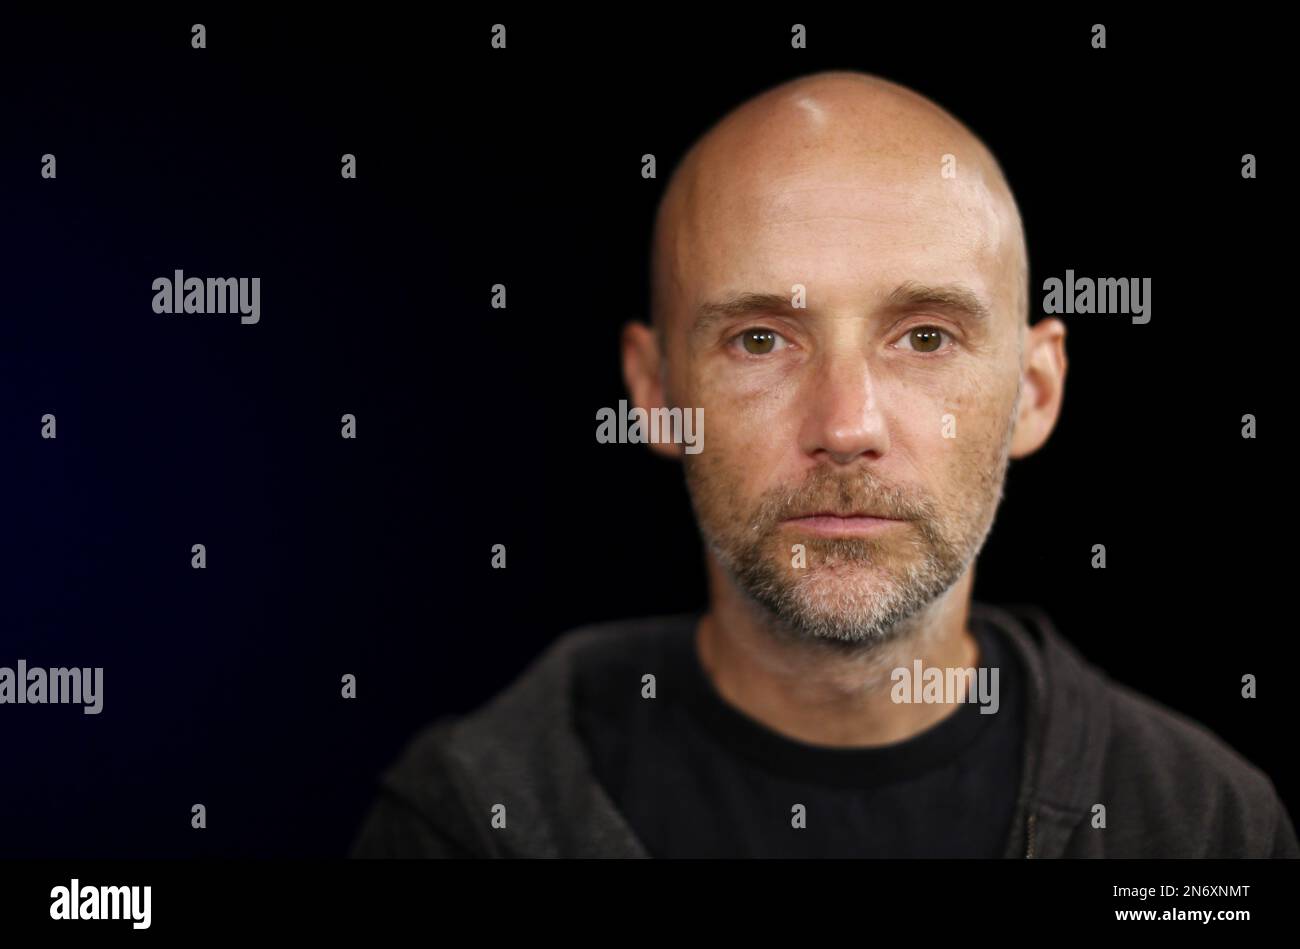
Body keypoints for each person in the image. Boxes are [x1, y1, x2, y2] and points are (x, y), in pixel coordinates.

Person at [352, 70, 1298, 858]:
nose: (846, 425)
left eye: (925, 336)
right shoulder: (469, 821)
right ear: (653, 389)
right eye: (761, 339)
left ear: (1034, 392)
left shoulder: (1200, 829)